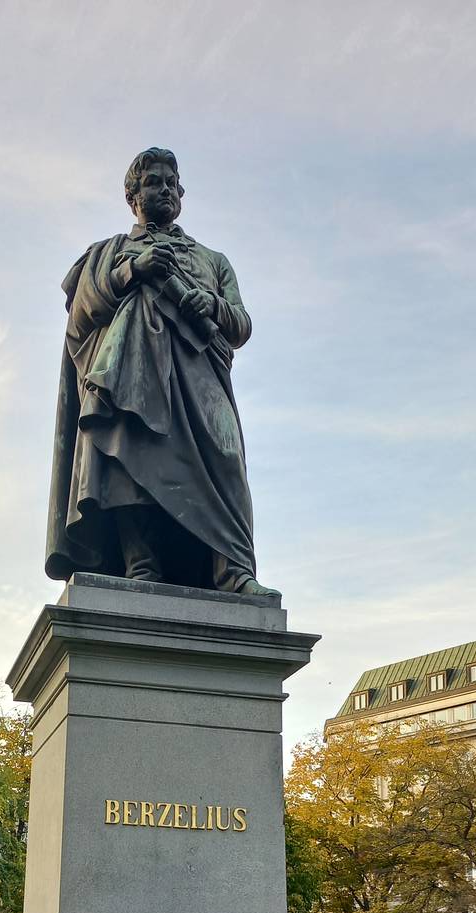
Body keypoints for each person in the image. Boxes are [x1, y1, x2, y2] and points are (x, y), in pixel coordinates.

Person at [46, 147, 278, 597]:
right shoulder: (108, 253)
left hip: (200, 377)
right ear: (132, 195)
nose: (166, 189)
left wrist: (210, 304)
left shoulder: (213, 260)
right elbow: (80, 317)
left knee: (225, 459)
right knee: (131, 454)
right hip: (132, 373)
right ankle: (141, 566)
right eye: (154, 182)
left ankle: (233, 570)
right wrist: (136, 268)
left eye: (172, 183)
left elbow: (241, 325)